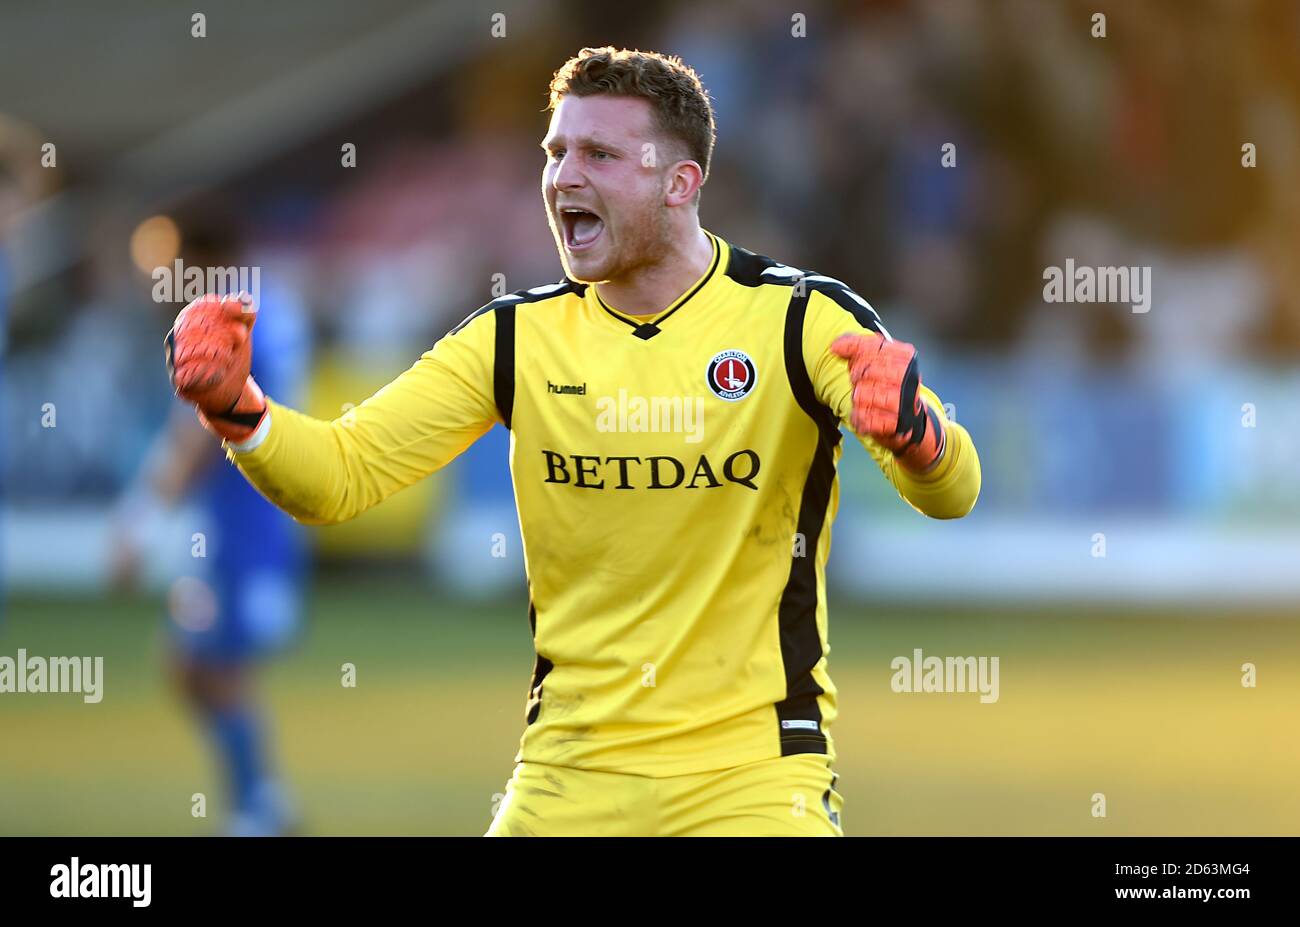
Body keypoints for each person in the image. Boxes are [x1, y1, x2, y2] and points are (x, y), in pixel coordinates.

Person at [163, 47, 980, 836]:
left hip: (757, 773)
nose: (563, 176)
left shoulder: (801, 319)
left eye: (598, 153)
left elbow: (952, 493)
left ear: (679, 183)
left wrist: (916, 438)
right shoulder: (515, 339)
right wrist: (239, 408)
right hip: (571, 770)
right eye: (555, 152)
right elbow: (341, 476)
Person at [116, 224, 310, 836]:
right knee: (197, 665)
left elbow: (207, 429)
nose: (157, 278)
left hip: (245, 525)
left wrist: (139, 524)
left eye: (166, 261)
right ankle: (262, 802)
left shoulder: (224, 322)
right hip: (246, 518)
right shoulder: (267, 305)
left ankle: (254, 812)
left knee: (216, 668)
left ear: (197, 256)